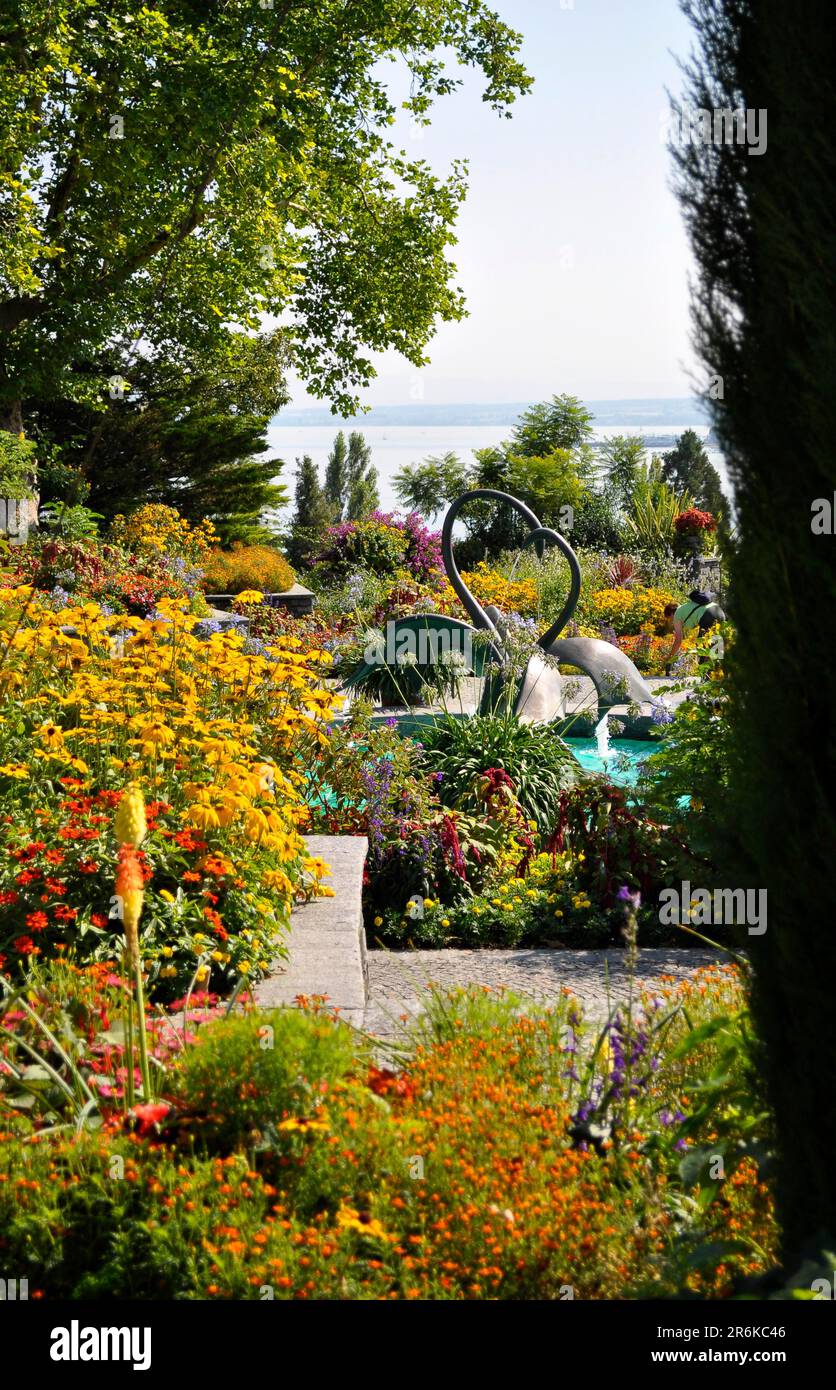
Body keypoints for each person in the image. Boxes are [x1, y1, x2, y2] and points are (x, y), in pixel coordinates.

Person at [665, 589, 725, 674]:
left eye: (669, 619)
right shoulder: (687, 606)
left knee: (701, 644)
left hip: (708, 615)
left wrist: (669, 659)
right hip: (719, 611)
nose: (671, 621)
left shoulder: (677, 614)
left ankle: (705, 673)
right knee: (717, 641)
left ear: (671, 614)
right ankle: (718, 672)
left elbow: (678, 640)